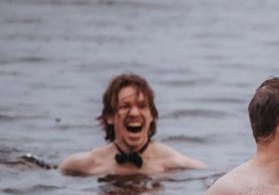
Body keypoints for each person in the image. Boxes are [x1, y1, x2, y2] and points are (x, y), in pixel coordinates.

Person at [60, 73, 205, 175]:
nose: (134, 113)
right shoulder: (83, 164)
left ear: (151, 116)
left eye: (142, 106)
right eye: (125, 106)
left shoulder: (174, 163)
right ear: (110, 116)